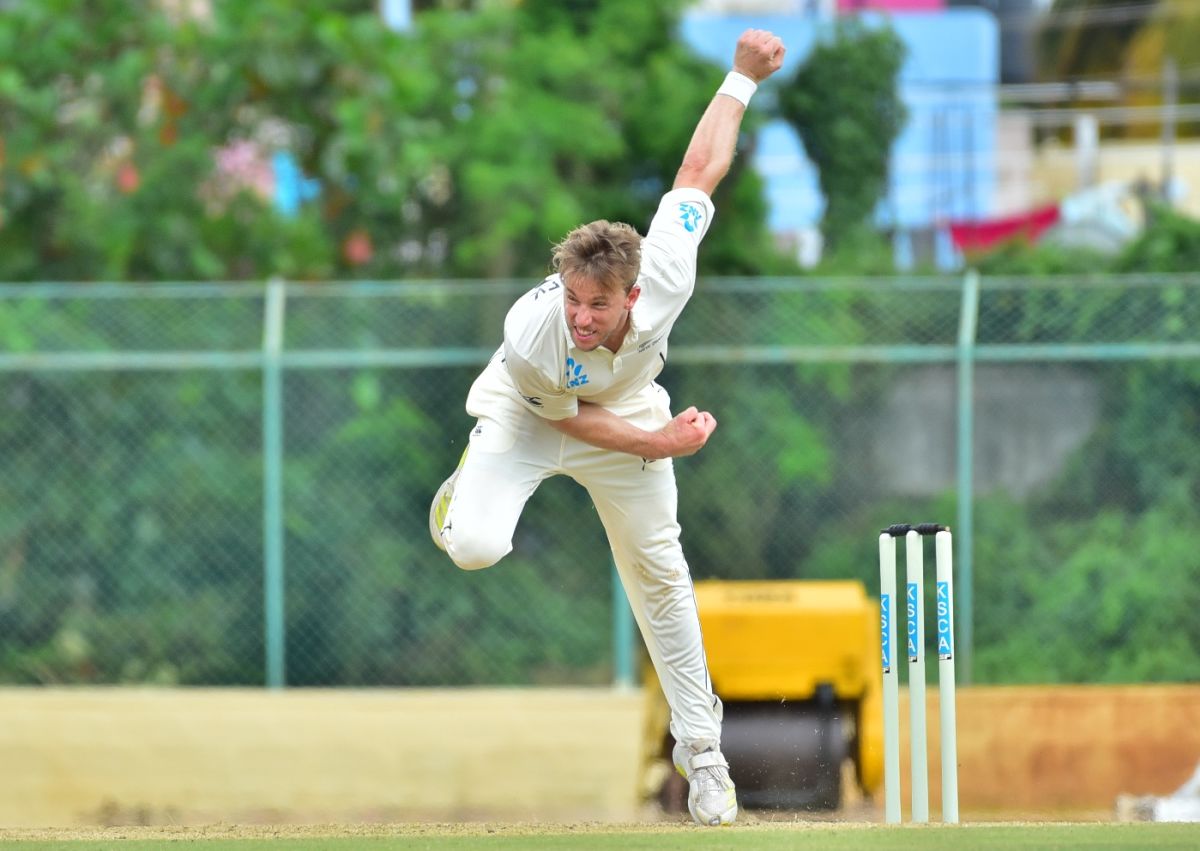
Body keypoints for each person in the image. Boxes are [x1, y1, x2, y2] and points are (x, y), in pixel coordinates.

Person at [430, 29, 786, 827]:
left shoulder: (666, 270)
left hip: (624, 408)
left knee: (661, 574)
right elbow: (574, 421)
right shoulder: (533, 332)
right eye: (573, 299)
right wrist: (663, 444)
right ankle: (461, 493)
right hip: (532, 414)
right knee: (476, 546)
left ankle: (705, 757)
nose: (582, 316)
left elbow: (699, 171)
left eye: (597, 304)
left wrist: (741, 78)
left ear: (631, 294)